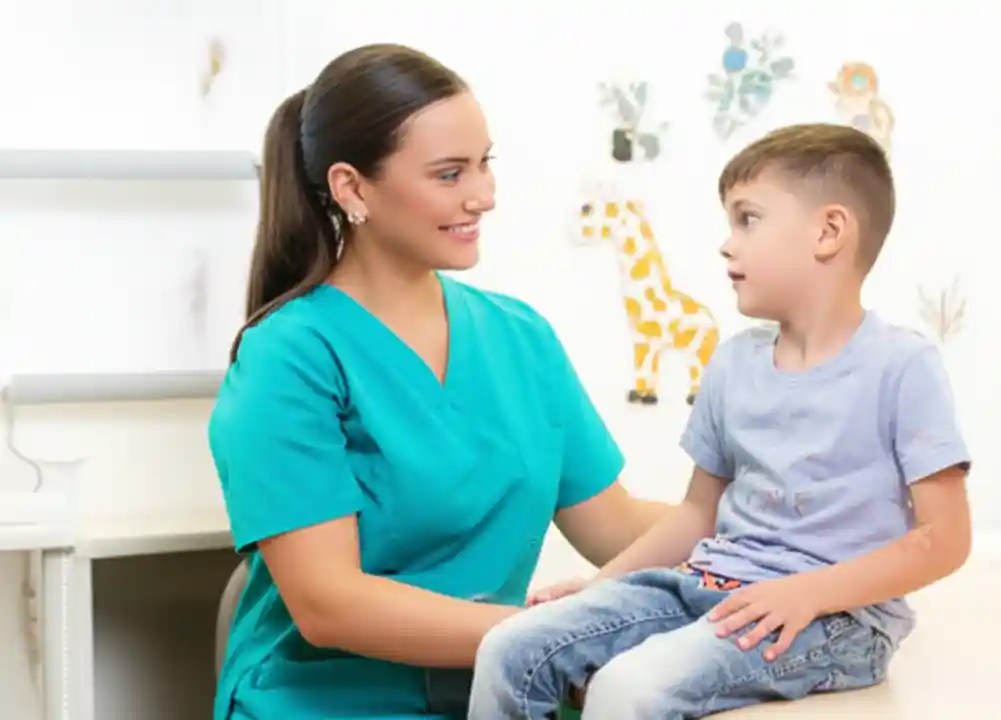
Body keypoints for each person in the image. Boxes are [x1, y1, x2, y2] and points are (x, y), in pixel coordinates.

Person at [207, 43, 668, 720]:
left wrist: (770, 534)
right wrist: (552, 633)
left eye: (485, 164)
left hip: (503, 689)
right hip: (330, 705)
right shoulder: (289, 357)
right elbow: (329, 605)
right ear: (352, 188)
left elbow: (617, 526)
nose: (483, 195)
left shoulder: (520, 337)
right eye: (449, 174)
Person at [468, 123, 974, 719]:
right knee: (512, 647)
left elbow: (945, 540)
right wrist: (599, 586)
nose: (726, 244)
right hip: (710, 585)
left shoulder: (902, 365)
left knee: (628, 688)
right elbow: (697, 514)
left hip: (839, 618)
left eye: (747, 219)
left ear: (828, 231)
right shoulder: (733, 362)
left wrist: (809, 592)